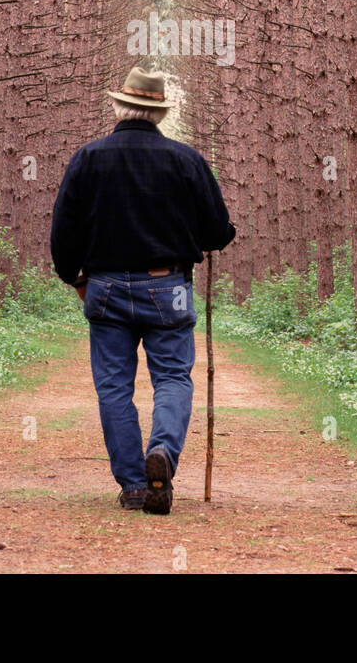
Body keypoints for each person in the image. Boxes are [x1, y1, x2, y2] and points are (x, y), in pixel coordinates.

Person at [50, 66, 236, 514]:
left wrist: (73, 276)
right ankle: (164, 456)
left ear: (119, 106)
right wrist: (216, 231)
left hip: (105, 285)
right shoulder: (185, 159)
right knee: (172, 378)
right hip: (166, 285)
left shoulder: (88, 158)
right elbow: (216, 232)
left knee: (114, 387)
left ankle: (135, 485)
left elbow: (63, 230)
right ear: (159, 113)